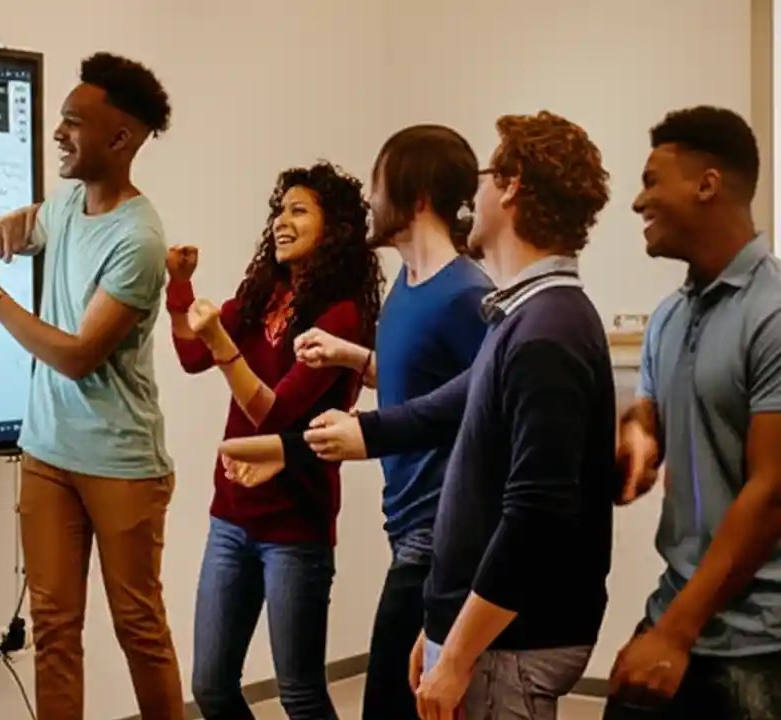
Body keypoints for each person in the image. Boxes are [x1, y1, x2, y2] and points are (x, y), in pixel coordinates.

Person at [222, 110, 616, 720]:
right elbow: (444, 405)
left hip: (508, 626)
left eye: (486, 176)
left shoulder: (544, 328)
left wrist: (455, 649)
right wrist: (299, 446)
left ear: (510, 187)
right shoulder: (527, 317)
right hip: (458, 586)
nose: (472, 195)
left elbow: (534, 512)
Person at [0, 52, 183, 720]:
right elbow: (43, 225)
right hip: (47, 456)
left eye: (73, 123)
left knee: (138, 629)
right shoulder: (67, 203)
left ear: (121, 139)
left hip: (120, 464)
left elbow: (80, 355)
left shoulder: (139, 239)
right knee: (54, 630)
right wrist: (12, 229)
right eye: (60, 119)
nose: (58, 132)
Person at [166, 161, 383, 719]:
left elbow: (272, 411)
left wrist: (219, 340)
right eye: (279, 210)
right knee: (211, 687)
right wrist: (180, 286)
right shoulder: (264, 294)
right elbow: (193, 355)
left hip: (296, 524)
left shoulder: (341, 314)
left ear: (332, 227)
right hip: (231, 518)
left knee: (300, 694)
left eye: (299, 209)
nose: (282, 221)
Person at [290, 126, 493, 720]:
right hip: (406, 530)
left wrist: (368, 435)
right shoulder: (406, 287)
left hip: (440, 538)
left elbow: (483, 400)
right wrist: (354, 357)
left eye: (379, 185)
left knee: (387, 703)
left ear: (418, 195)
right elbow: (427, 380)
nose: (372, 201)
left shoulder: (468, 295)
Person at [606, 106, 781, 719]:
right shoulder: (668, 319)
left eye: (653, 180)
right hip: (675, 606)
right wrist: (633, 440)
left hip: (760, 642)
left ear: (708, 184)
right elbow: (646, 427)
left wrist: (675, 635)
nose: (637, 201)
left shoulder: (774, 313)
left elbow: (773, 490)